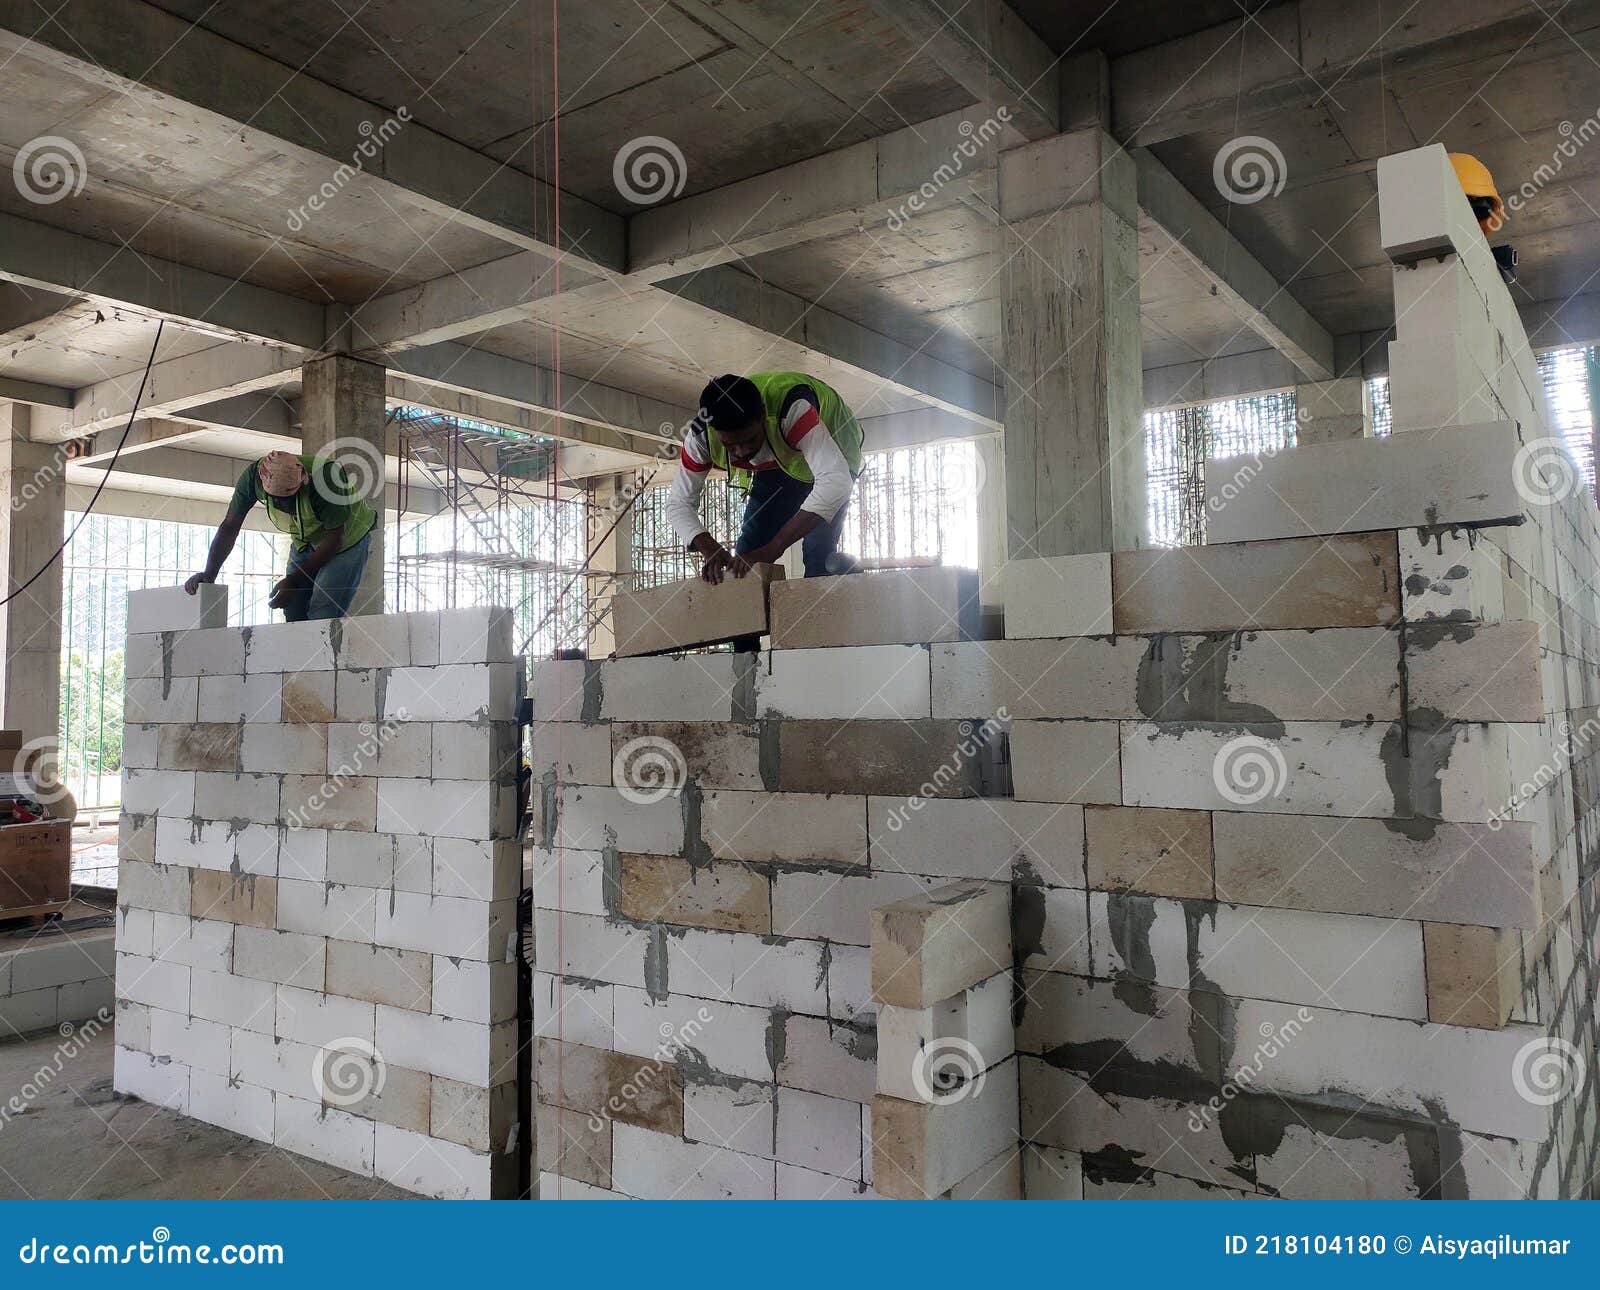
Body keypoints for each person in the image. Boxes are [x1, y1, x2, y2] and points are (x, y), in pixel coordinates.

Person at [666, 372, 865, 584]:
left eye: (749, 440)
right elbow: (678, 504)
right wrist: (710, 549)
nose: (741, 452)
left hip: (836, 452)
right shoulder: (700, 437)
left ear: (762, 414)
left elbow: (835, 482)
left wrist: (774, 547)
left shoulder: (793, 410)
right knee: (746, 561)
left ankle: (838, 591)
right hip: (781, 456)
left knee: (819, 556)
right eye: (730, 445)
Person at [184, 449, 376, 621]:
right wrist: (209, 574)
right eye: (278, 501)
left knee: (323, 613)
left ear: (303, 479)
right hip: (306, 538)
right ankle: (296, 660)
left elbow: (336, 538)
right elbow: (229, 526)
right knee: (293, 610)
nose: (286, 507)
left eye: (291, 498)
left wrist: (293, 580)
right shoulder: (253, 478)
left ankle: (319, 659)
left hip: (347, 539)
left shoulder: (326, 478)